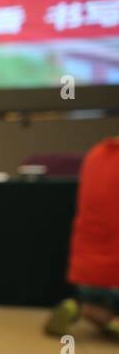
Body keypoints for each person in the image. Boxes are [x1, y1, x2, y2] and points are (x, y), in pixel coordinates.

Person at [45, 136, 119, 340]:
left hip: (87, 275)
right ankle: (109, 319)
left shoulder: (96, 154)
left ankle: (84, 309)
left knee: (98, 301)